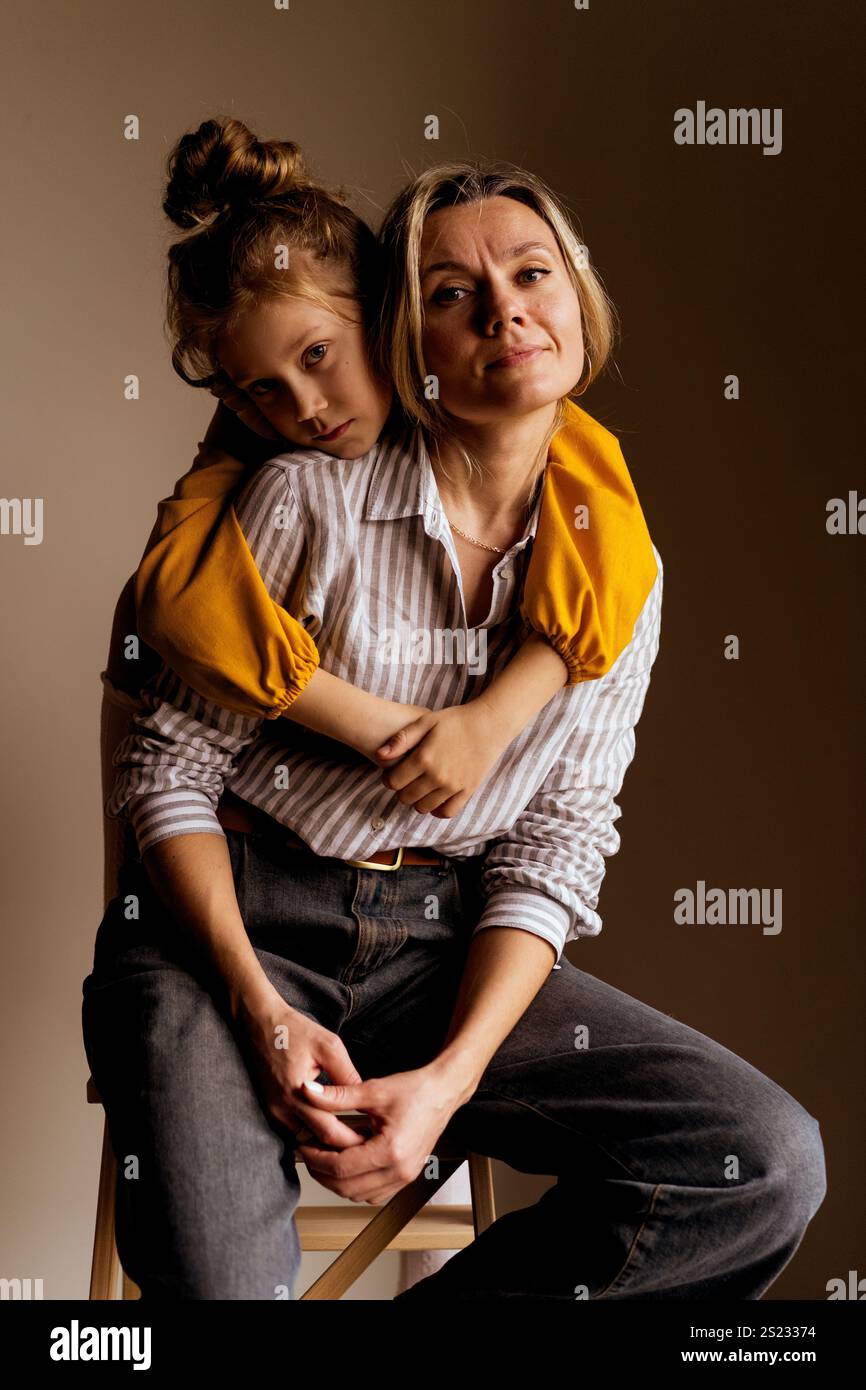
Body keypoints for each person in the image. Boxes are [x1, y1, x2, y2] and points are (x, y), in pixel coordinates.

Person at [82, 132, 825, 1300]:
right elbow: (165, 766)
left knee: (761, 1164)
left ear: (576, 297)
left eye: (531, 273)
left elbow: (556, 839)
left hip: (439, 940)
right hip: (229, 926)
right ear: (406, 337)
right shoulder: (299, 496)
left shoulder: (615, 563)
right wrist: (259, 1005)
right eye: (450, 293)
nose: (504, 312)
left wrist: (450, 1076)